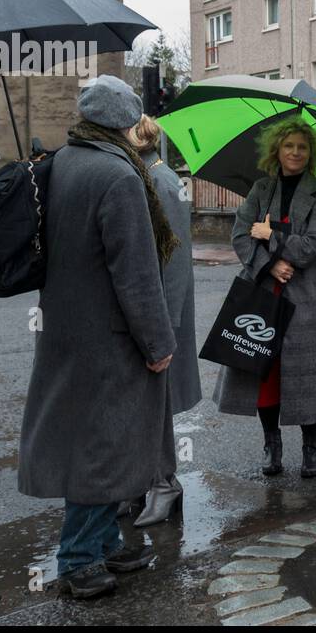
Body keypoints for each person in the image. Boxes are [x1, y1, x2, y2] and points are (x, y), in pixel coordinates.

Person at [19, 76, 178, 599]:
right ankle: (79, 558)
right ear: (127, 121)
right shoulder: (118, 175)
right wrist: (158, 345)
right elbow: (135, 274)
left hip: (67, 326)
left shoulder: (63, 161)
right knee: (104, 447)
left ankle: (106, 541)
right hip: (112, 339)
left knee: (89, 438)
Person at [213, 118, 316, 479]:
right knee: (264, 373)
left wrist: (271, 234)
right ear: (277, 149)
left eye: (302, 147)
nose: (295, 152)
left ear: (311, 154)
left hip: (307, 298)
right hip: (262, 292)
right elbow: (241, 236)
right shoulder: (261, 190)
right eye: (289, 146)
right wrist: (271, 265)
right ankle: (271, 442)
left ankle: (311, 443)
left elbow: (314, 246)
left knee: (306, 375)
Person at [124, 115, 200, 528]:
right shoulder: (142, 176)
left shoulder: (163, 182)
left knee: (156, 402)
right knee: (140, 402)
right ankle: (141, 483)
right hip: (146, 313)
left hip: (160, 316)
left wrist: (164, 330)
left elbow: (173, 262)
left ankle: (164, 483)